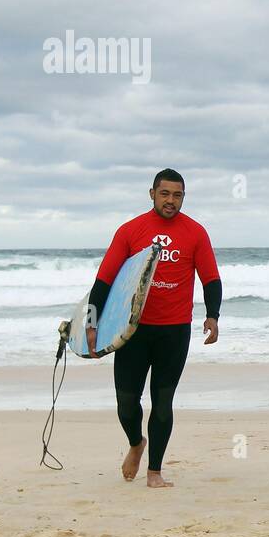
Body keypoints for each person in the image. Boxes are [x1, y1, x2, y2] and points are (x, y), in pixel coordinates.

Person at [86, 169, 221, 488]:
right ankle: (136, 443)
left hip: (173, 332)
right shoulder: (130, 231)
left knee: (163, 401)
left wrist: (213, 315)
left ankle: (155, 472)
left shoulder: (196, 233)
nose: (170, 201)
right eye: (165, 194)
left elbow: (211, 278)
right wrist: (92, 324)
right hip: (133, 330)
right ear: (152, 194)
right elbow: (104, 280)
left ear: (183, 198)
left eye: (177, 195)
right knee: (126, 402)